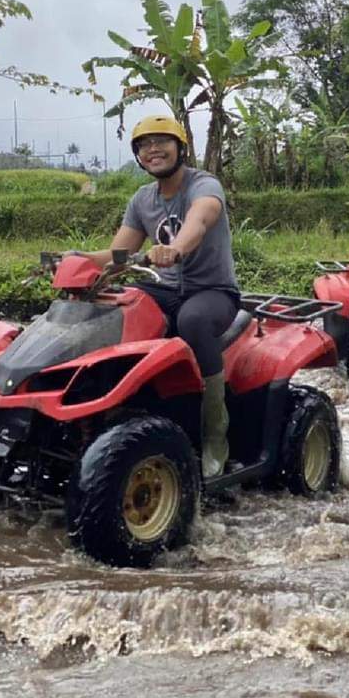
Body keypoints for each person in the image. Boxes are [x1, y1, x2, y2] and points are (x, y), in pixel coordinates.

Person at [75, 115, 239, 479]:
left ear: (180, 147)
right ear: (138, 155)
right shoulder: (142, 199)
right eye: (144, 145)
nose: (153, 150)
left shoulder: (204, 185)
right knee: (112, 310)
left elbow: (199, 220)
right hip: (163, 288)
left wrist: (175, 248)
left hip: (211, 292)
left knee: (192, 321)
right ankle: (100, 416)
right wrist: (73, 260)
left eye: (162, 142)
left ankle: (215, 434)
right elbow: (119, 256)